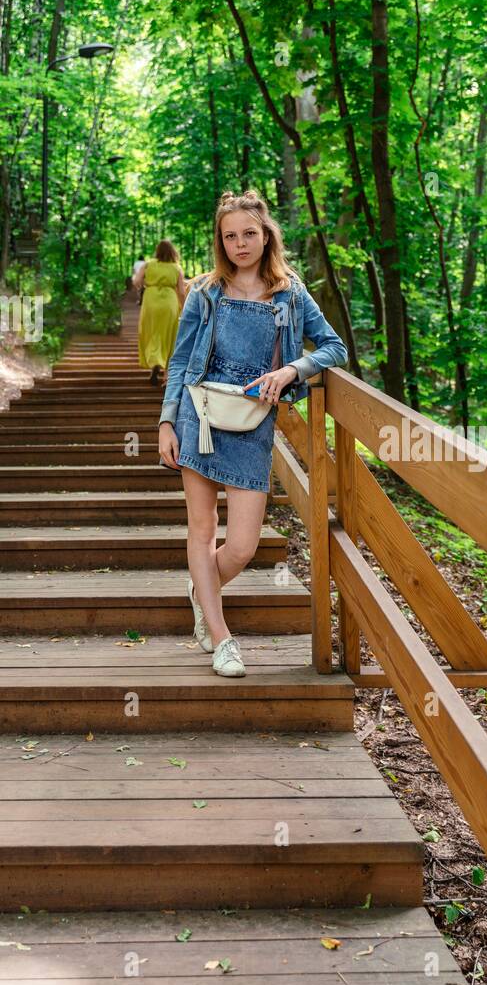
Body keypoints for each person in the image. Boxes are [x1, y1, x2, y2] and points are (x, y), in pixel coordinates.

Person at [157, 188, 348, 677]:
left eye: (249, 233)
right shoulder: (204, 291)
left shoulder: (290, 291)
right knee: (201, 531)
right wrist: (164, 422)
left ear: (266, 236)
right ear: (220, 242)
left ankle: (202, 588)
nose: (240, 243)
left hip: (252, 424)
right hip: (197, 417)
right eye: (230, 236)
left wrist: (291, 372)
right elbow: (180, 361)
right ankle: (222, 639)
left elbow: (333, 347)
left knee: (241, 546)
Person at [133, 241, 187, 383]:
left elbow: (136, 281)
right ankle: (167, 374)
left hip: (150, 301)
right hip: (169, 302)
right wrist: (184, 307)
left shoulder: (148, 264)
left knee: (151, 332)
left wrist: (146, 285)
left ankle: (155, 361)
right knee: (169, 336)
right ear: (172, 252)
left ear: (157, 251)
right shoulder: (176, 268)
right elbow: (181, 291)